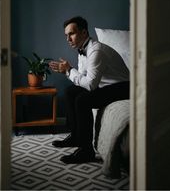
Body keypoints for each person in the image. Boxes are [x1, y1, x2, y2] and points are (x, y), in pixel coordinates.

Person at [49, 16, 129, 164]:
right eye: (66, 35)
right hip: (105, 86)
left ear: (84, 33)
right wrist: (68, 71)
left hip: (123, 87)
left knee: (83, 100)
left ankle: (86, 151)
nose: (68, 39)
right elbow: (82, 81)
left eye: (71, 34)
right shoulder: (82, 49)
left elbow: (90, 85)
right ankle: (75, 136)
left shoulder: (95, 50)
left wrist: (69, 70)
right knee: (70, 92)